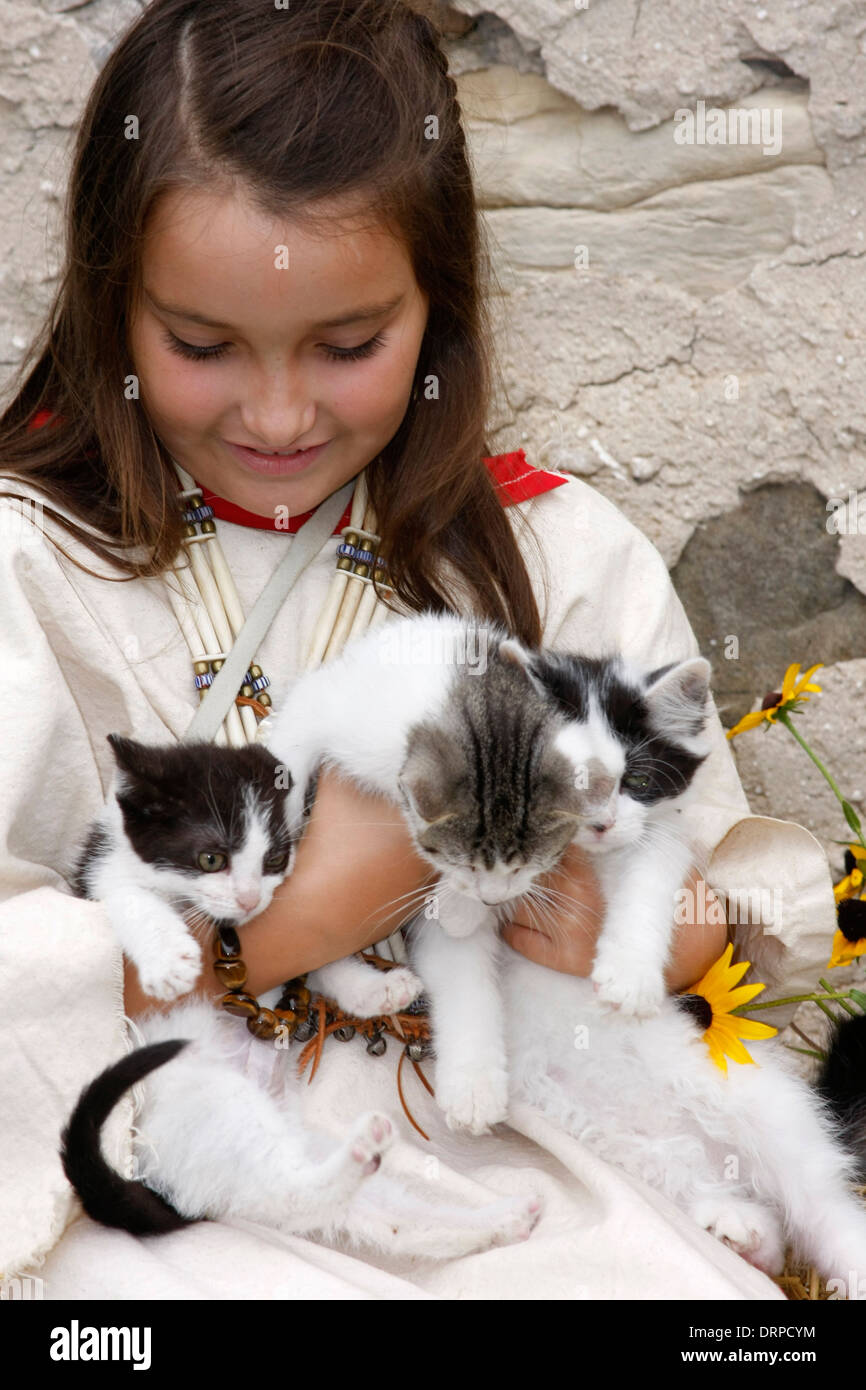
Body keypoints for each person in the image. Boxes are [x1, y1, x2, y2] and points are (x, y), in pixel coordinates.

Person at [0, 0, 835, 1300]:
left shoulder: (553, 549)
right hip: (174, 1160)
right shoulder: (33, 561)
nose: (279, 413)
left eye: (348, 346)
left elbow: (706, 916)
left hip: (516, 1145)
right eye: (202, 345)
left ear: (438, 306)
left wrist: (609, 918)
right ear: (116, 307)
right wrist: (281, 928)